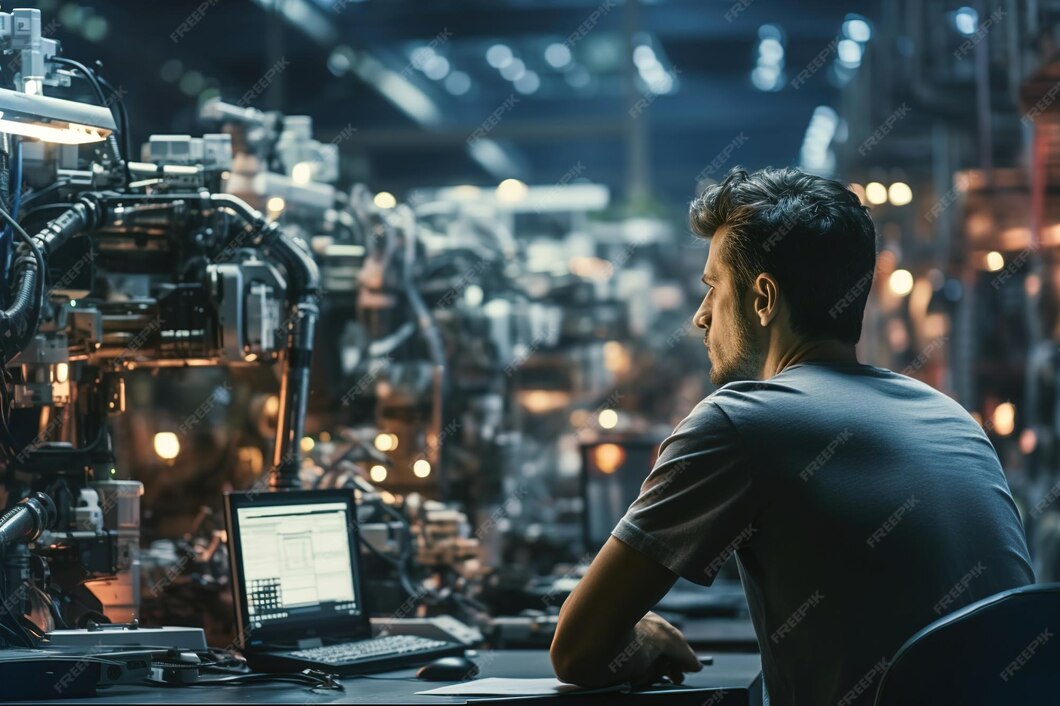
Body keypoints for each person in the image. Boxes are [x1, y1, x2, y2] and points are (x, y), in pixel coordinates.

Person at [549, 166, 1035, 705]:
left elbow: (578, 649)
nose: (700, 316)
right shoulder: (951, 421)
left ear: (763, 298)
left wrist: (642, 638)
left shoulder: (739, 421)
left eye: (712, 287)